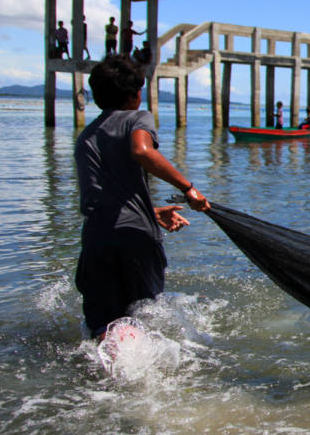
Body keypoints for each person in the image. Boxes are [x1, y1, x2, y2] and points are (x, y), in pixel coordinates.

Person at [74, 56, 209, 340]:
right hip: (136, 238)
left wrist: (152, 210)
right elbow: (142, 151)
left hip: (96, 240)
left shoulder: (85, 137)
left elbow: (97, 199)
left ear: (96, 96)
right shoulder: (138, 117)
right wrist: (188, 188)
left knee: (103, 327)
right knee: (145, 317)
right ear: (136, 94)